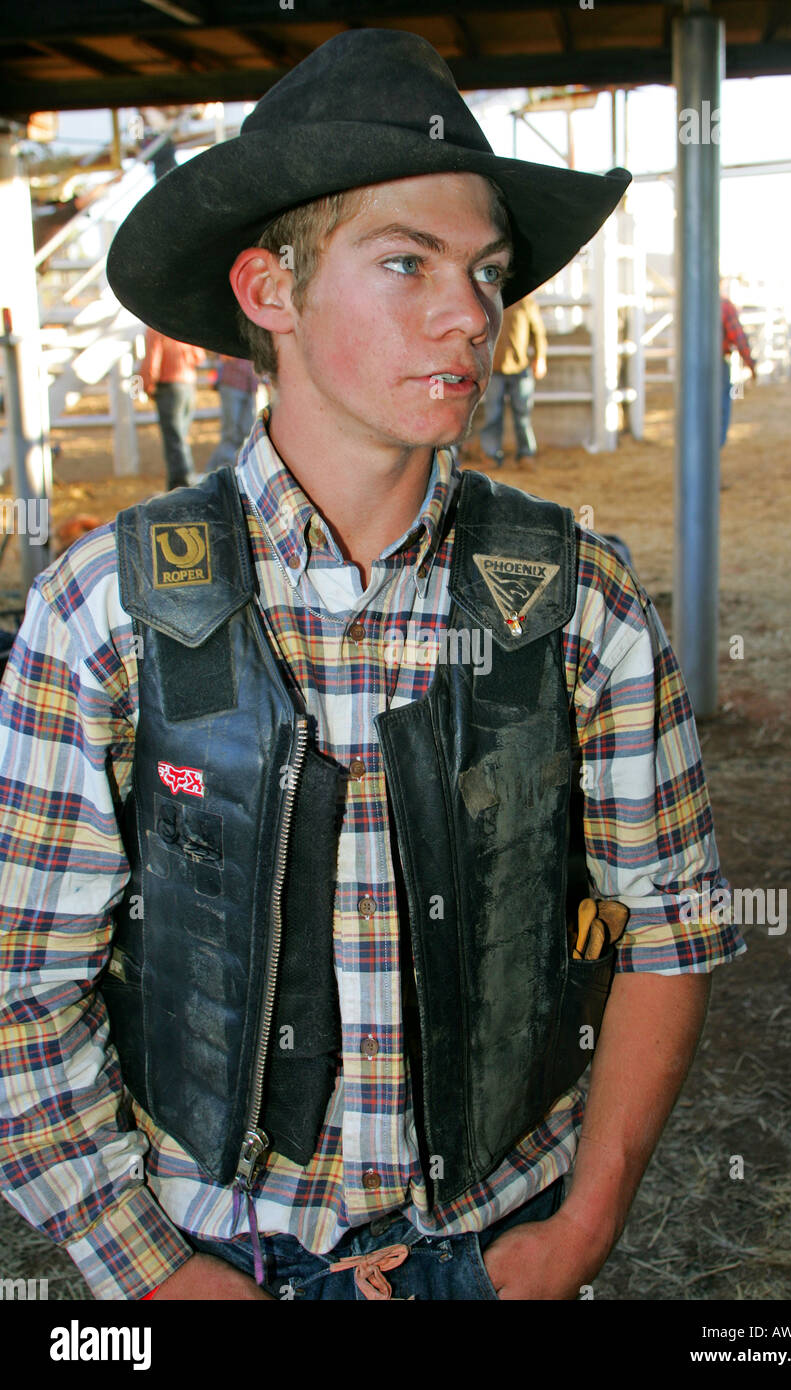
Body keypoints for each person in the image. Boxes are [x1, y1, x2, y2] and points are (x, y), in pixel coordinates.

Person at [0, 29, 744, 1302]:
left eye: (486, 272)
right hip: (209, 1252)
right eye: (406, 263)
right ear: (267, 290)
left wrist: (578, 1231)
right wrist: (151, 1275)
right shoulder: (99, 609)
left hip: (503, 1239)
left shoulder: (583, 599)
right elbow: (24, 983)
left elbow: (668, 933)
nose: (470, 315)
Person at [478, 294, 548, 465]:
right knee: (493, 414)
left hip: (519, 367)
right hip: (494, 368)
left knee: (522, 414)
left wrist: (540, 357)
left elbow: (538, 331)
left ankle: (526, 454)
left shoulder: (525, 301)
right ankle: (492, 454)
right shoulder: (488, 301)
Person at [137, 327, 205, 489]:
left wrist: (147, 385)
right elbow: (199, 356)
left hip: (169, 386)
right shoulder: (183, 326)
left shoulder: (155, 328)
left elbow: (152, 360)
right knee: (181, 435)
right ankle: (184, 480)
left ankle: (181, 483)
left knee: (174, 438)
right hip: (188, 385)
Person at [205, 354, 260, 473]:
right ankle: (222, 471)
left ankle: (213, 470)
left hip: (250, 385)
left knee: (246, 431)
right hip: (233, 383)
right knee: (231, 433)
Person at [721, 292, 757, 447]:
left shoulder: (689, 304)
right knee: (721, 404)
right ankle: (717, 445)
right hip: (718, 362)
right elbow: (739, 338)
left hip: (691, 366)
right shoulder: (724, 305)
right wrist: (751, 364)